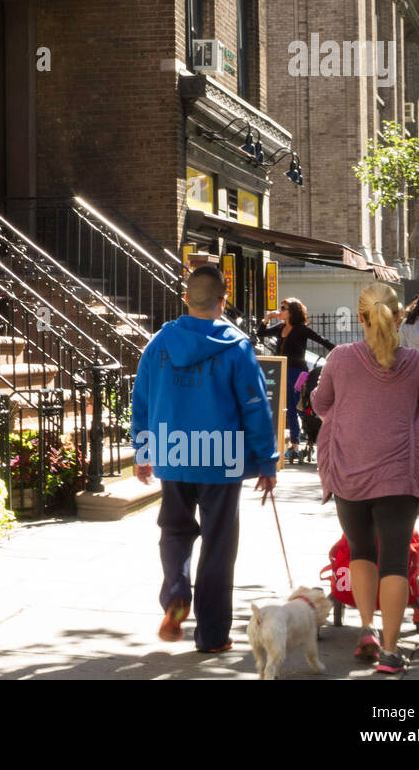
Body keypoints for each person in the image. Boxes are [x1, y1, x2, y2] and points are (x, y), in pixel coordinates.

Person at [131, 265, 279, 654]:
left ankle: (177, 594)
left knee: (175, 531)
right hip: (222, 456)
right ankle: (212, 636)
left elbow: (142, 400)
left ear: (186, 299)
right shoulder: (237, 346)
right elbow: (255, 406)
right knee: (219, 545)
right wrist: (267, 460)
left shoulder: (159, 343)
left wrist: (143, 450)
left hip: (172, 450)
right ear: (222, 300)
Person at [312, 283, 419, 676]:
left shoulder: (339, 358)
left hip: (349, 475)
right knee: (395, 563)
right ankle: (390, 652)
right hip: (400, 479)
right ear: (399, 316)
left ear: (361, 317)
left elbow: (320, 404)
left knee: (360, 554)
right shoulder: (417, 364)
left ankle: (366, 630)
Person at [259, 298, 335, 458]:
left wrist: (339, 354)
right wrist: (266, 319)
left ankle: (303, 441)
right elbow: (261, 333)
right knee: (288, 408)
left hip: (297, 372)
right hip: (281, 370)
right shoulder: (280, 327)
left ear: (292, 311)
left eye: (283, 308)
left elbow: (323, 341)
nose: (280, 310)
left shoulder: (301, 329)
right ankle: (295, 443)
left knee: (296, 406)